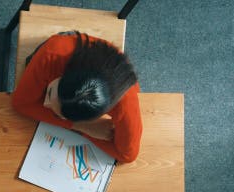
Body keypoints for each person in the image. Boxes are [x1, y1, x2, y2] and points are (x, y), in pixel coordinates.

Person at [11, 32, 142, 163]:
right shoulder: (52, 53)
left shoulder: (126, 103)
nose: (44, 104)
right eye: (49, 92)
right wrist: (82, 126)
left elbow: (128, 155)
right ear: (62, 75)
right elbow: (20, 103)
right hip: (67, 50)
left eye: (60, 115)